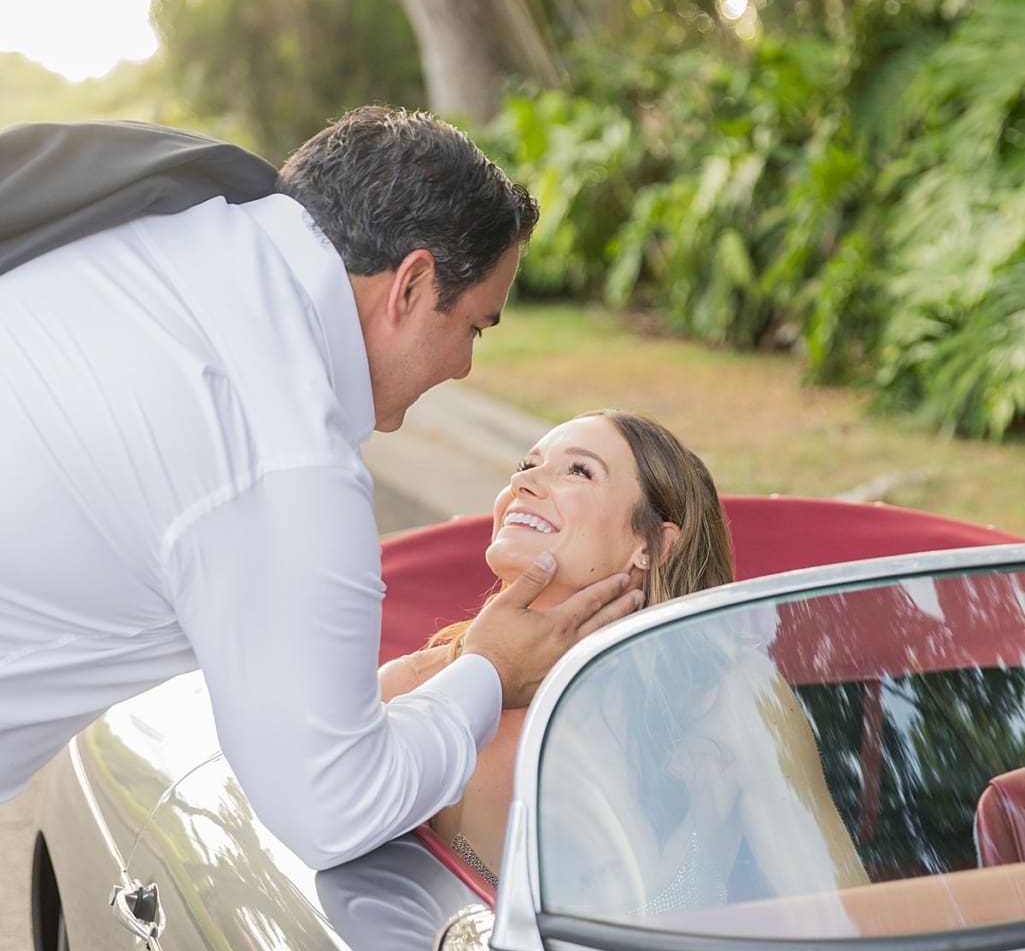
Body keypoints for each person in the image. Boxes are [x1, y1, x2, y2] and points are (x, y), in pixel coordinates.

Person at [0, 107, 642, 868]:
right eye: (474, 326)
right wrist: (490, 672)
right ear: (410, 285)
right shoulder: (282, 456)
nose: (465, 367)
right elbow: (336, 807)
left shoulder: (162, 227)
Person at [381, 410, 868, 904]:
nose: (523, 481)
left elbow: (844, 918)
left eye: (578, 470)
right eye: (527, 465)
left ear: (652, 544)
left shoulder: (733, 698)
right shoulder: (409, 692)